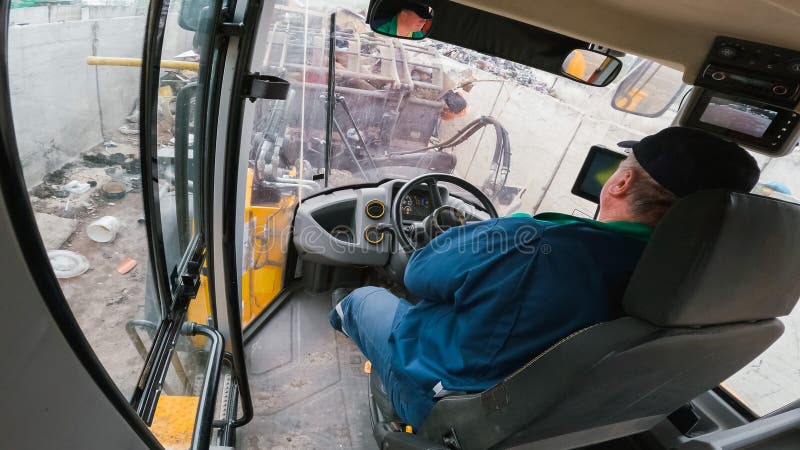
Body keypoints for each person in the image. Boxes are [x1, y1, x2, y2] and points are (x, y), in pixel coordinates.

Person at [329, 127, 761, 429]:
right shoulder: (700, 283)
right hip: (555, 416)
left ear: (622, 182)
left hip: (445, 395)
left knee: (362, 297)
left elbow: (421, 273)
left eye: (617, 169)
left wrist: (507, 230)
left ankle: (340, 319)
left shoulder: (529, 240)